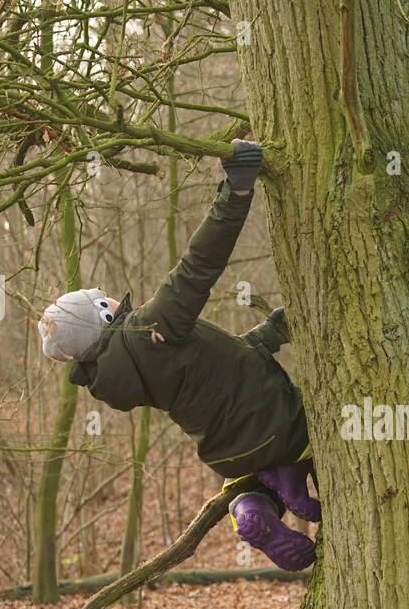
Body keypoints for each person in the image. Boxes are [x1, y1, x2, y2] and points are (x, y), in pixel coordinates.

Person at [37, 140, 319, 570]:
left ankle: (249, 505)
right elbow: (199, 262)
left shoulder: (116, 374)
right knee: (307, 430)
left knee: (242, 484)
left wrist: (266, 335)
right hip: (275, 422)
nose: (111, 297)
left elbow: (216, 365)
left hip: (228, 449)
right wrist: (236, 190)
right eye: (100, 300)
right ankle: (290, 477)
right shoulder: (150, 326)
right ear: (100, 317)